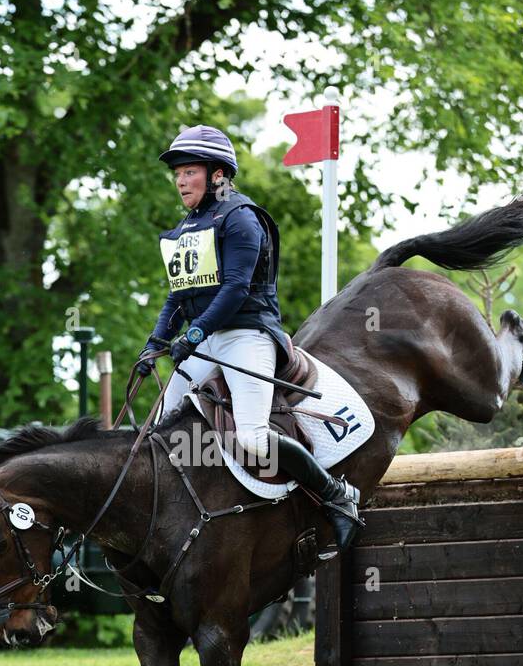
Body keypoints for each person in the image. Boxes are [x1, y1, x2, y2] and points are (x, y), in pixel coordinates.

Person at [135, 124, 361, 552]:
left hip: (246, 335)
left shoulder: (240, 218)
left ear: (217, 174)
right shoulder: (188, 227)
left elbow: (236, 287)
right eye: (178, 173)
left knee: (253, 438)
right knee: (158, 432)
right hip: (205, 340)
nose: (181, 181)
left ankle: (337, 495)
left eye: (190, 172)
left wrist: (196, 332)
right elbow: (177, 296)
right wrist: (155, 344)